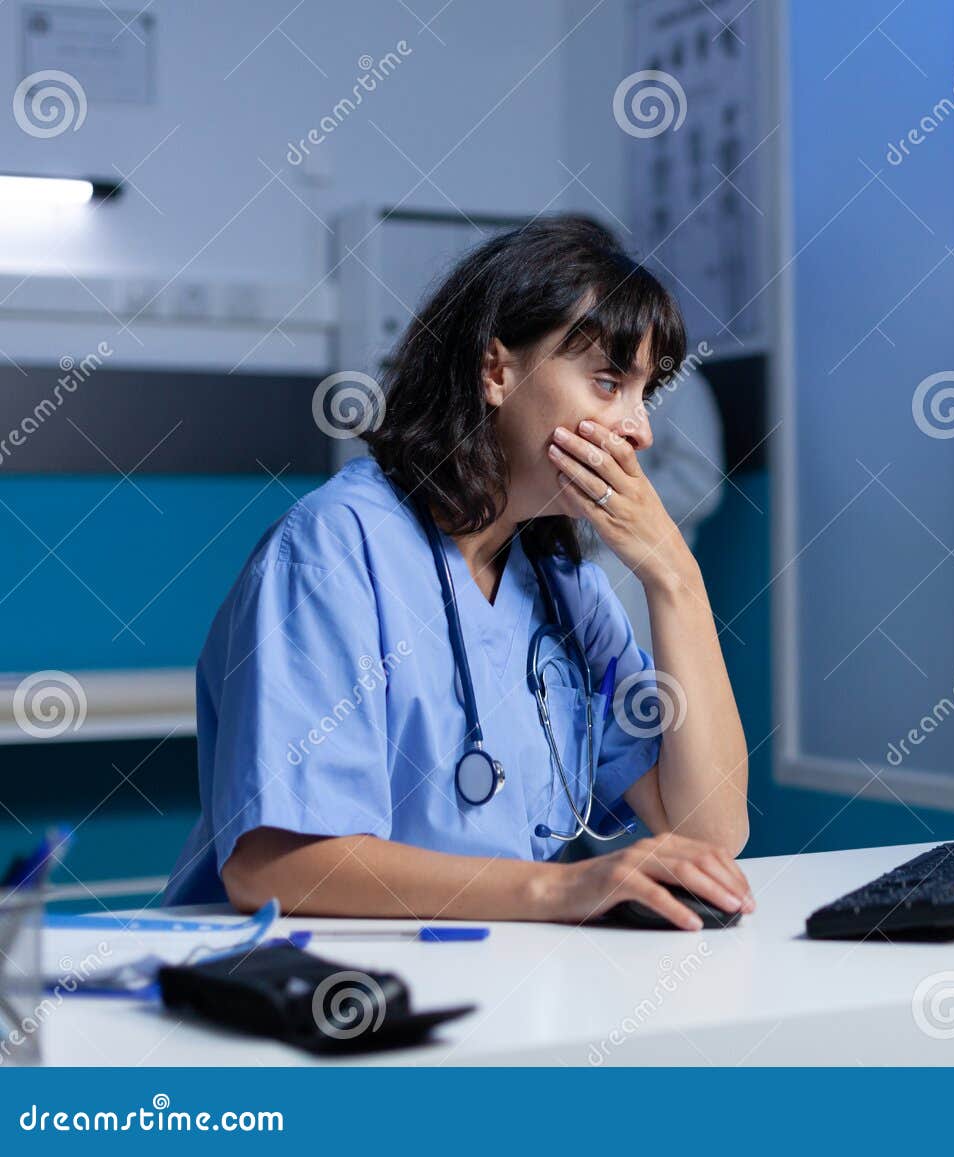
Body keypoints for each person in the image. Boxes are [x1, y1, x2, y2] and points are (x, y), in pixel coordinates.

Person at [158, 215, 753, 931]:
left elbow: (710, 832)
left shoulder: (566, 586)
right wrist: (558, 889)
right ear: (496, 371)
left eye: (644, 395)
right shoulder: (335, 550)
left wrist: (676, 578)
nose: (641, 430)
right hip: (312, 978)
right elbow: (273, 866)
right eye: (607, 383)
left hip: (488, 971)